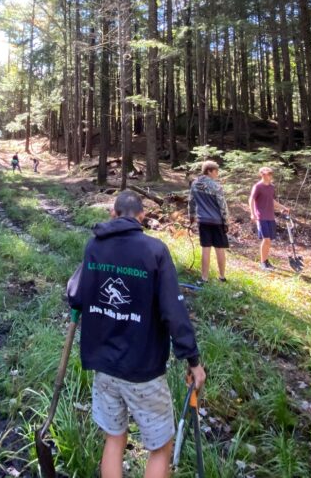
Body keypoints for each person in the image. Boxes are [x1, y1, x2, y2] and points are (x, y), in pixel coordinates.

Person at [68, 191, 206, 478]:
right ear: (142, 217)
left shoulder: (94, 247)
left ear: (112, 213)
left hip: (103, 366)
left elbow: (76, 295)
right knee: (160, 446)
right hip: (143, 370)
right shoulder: (155, 251)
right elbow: (173, 311)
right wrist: (193, 360)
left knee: (114, 438)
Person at [188, 160, 231, 284]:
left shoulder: (195, 184)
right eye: (216, 171)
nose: (217, 173)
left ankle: (204, 278)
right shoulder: (216, 186)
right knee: (220, 249)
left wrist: (191, 216)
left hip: (202, 221)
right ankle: (222, 277)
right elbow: (222, 206)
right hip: (217, 221)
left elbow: (191, 201)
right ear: (209, 171)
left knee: (205, 249)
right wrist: (226, 221)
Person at [248, 166, 289, 270]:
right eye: (267, 174)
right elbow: (251, 200)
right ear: (262, 175)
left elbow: (271, 201)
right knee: (265, 239)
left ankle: (266, 261)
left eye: (270, 174)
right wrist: (252, 214)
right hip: (261, 217)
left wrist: (283, 207)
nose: (269, 176)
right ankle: (262, 263)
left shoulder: (271, 187)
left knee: (269, 241)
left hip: (270, 217)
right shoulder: (258, 186)